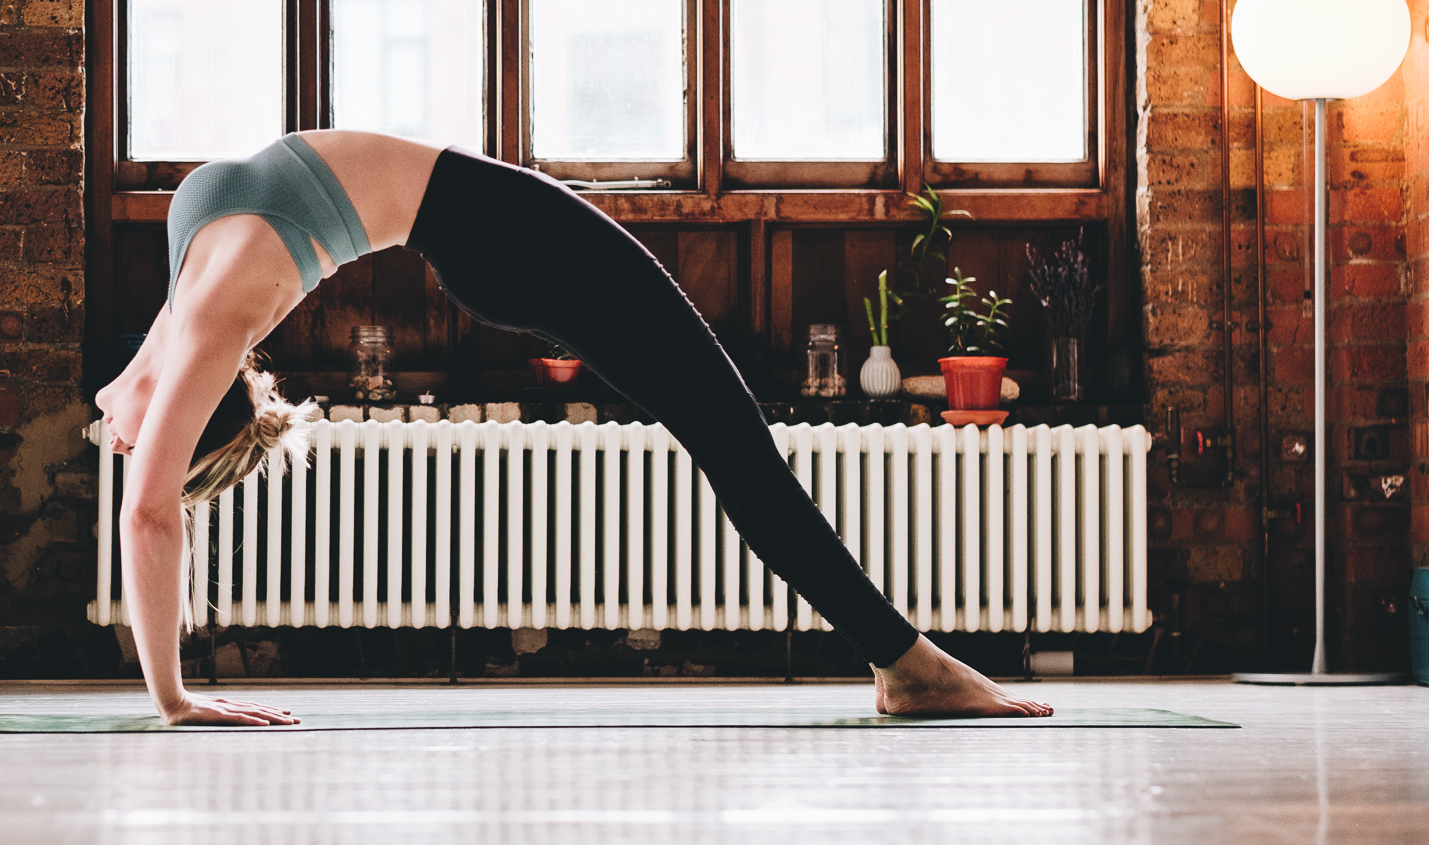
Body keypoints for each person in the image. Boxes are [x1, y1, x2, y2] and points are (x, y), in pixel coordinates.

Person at [94, 131, 1054, 726]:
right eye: (143, 444)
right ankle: (907, 663)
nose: (121, 438)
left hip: (500, 233)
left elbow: (142, 448)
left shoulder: (192, 292)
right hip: (505, 237)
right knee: (733, 441)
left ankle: (902, 659)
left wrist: (144, 410)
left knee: (729, 438)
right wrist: (173, 698)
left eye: (137, 440)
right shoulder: (216, 306)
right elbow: (150, 514)